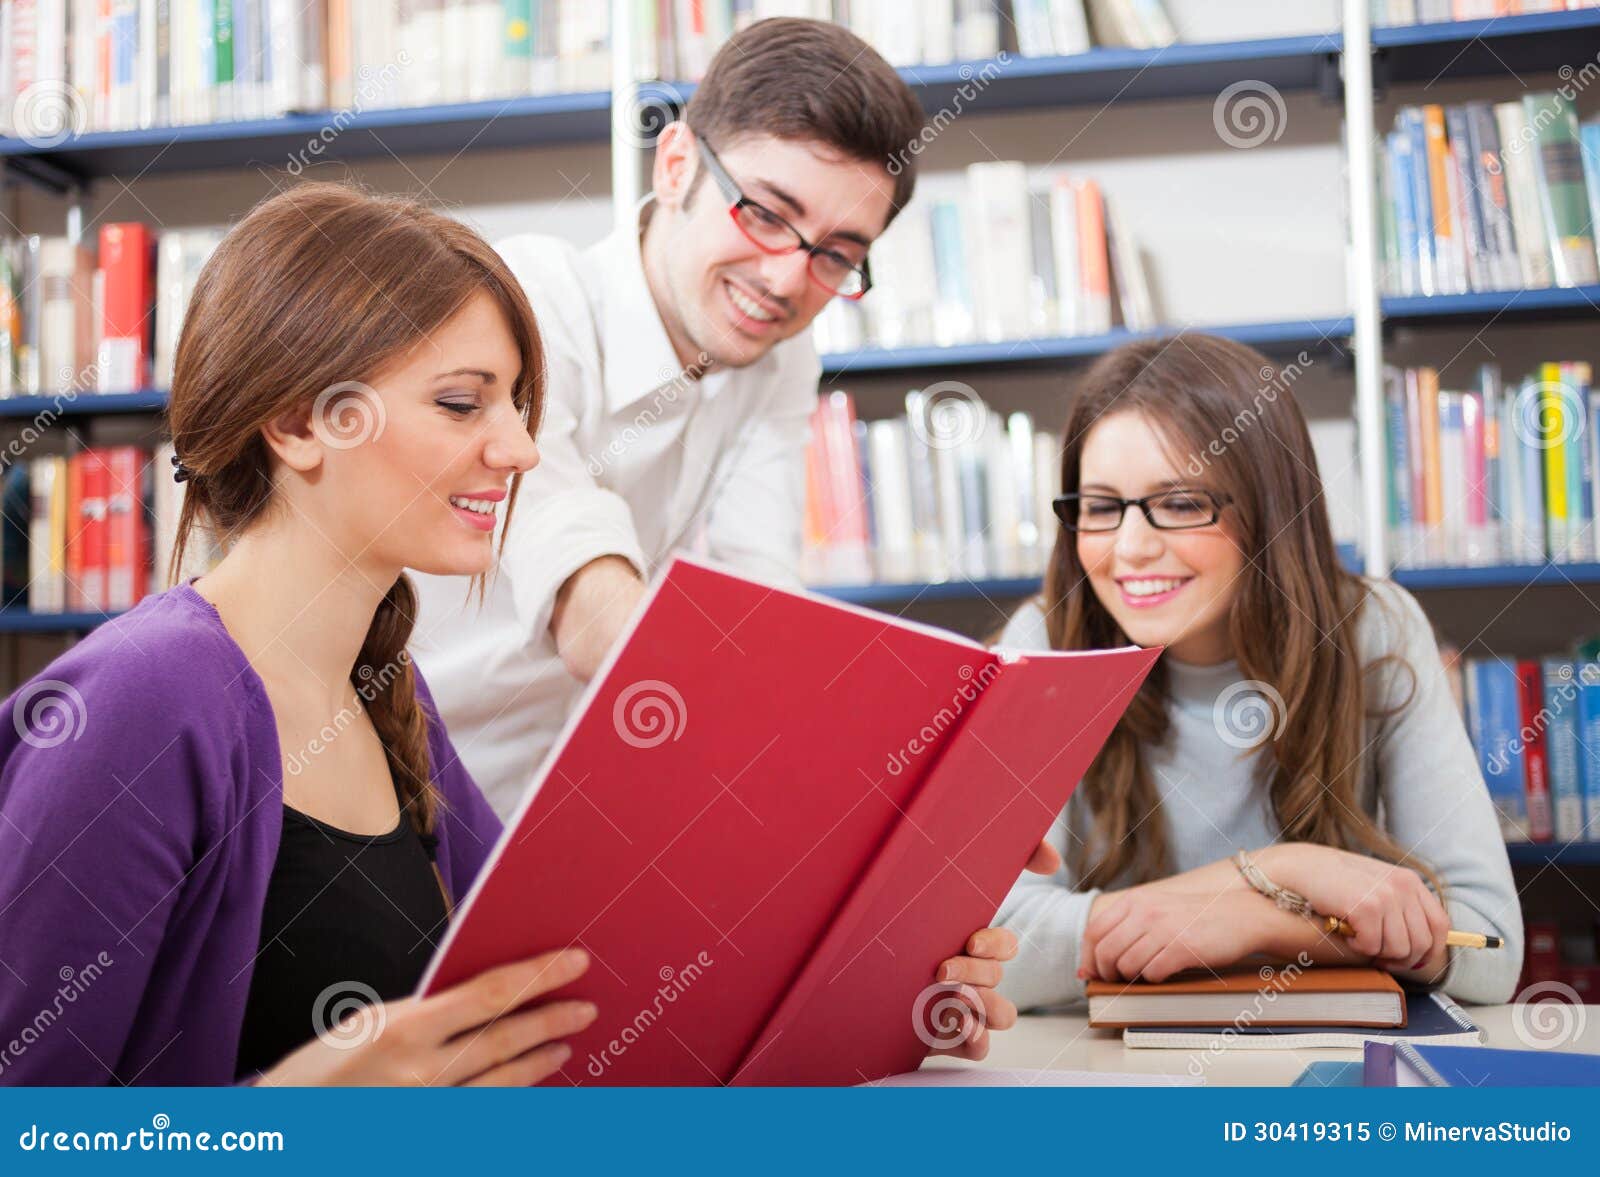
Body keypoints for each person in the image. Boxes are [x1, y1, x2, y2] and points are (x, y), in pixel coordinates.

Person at [0, 182, 1026, 1085]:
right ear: (300, 421)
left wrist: (868, 987)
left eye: (521, 405)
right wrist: (296, 1114)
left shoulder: (388, 692)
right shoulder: (140, 701)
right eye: (462, 404)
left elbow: (570, 1008)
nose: (522, 447)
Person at [409, 17, 928, 816]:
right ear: (678, 163)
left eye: (836, 253)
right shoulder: (527, 296)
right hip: (399, 781)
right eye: (764, 212)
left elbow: (762, 602)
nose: (789, 280)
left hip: (566, 789)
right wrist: (839, 768)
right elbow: (587, 600)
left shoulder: (780, 357)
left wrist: (911, 785)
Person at [993, 334, 1523, 1011]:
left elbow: (1489, 944)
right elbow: (992, 945)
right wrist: (1278, 875)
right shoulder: (1046, 638)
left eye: (1181, 503)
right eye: (1100, 507)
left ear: (1268, 509)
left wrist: (1255, 915)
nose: (1129, 548)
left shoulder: (1372, 628)